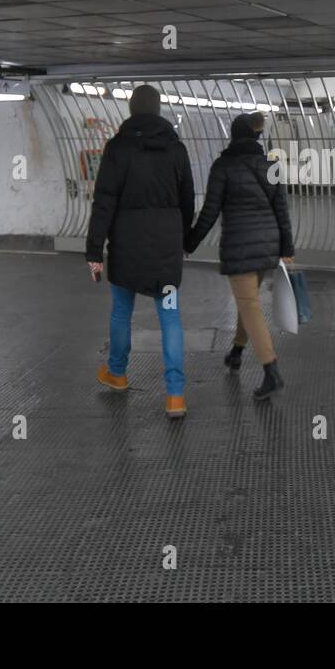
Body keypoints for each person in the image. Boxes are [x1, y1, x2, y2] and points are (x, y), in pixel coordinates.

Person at [86, 84, 195, 419]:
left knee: (121, 312)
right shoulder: (176, 149)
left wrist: (94, 251)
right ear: (159, 110)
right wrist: (183, 239)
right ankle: (175, 395)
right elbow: (188, 198)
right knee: (170, 317)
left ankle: (117, 373)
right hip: (165, 247)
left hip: (125, 246)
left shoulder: (117, 148)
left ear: (131, 110)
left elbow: (104, 201)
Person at [185, 112, 294, 401]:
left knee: (249, 305)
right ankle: (236, 351)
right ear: (256, 137)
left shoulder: (223, 166)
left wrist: (190, 241)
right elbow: (282, 211)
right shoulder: (271, 165)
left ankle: (271, 371)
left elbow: (210, 211)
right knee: (250, 302)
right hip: (267, 246)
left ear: (233, 135)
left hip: (240, 247)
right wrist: (287, 249)